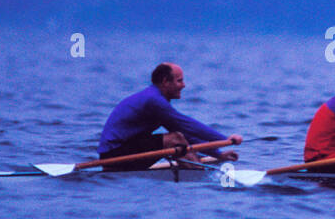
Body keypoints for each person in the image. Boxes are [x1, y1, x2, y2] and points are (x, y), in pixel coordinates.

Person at [98, 63, 241, 171]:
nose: (184, 85)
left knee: (177, 137)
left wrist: (218, 154)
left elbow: (184, 134)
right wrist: (225, 139)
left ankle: (196, 171)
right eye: (179, 81)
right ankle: (200, 176)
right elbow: (188, 125)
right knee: (174, 139)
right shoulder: (153, 100)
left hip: (122, 152)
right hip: (114, 157)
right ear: (166, 82)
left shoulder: (155, 99)